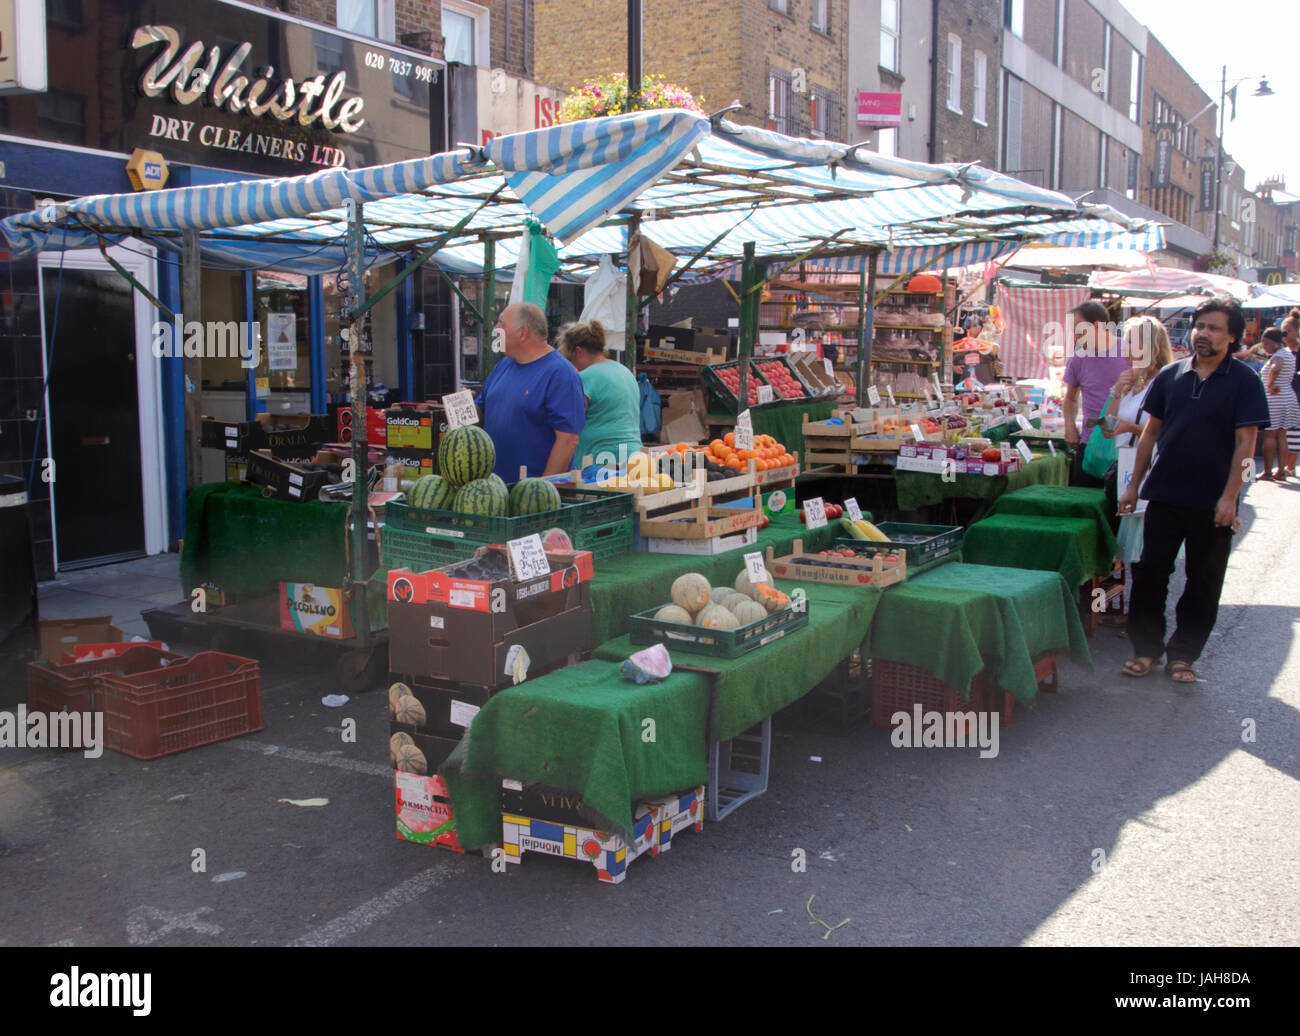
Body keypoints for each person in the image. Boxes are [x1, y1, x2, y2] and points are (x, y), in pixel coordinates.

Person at [1118, 296, 1269, 684]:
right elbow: (1150, 433)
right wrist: (1133, 485)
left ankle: (1183, 654)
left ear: (1233, 336)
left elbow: (1245, 444)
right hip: (1165, 493)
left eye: (1214, 328)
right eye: (1200, 325)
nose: (1203, 333)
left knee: (1204, 579)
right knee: (1151, 572)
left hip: (1212, 499)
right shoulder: (1171, 376)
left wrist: (1231, 496)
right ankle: (1146, 649)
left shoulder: (1244, 381)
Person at [1101, 317, 1174, 610]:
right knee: (1128, 547)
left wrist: (1130, 429)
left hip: (1148, 472)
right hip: (1124, 469)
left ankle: (1142, 617)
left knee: (1145, 550)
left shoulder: (1165, 381)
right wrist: (1116, 392)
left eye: (1130, 340)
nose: (1125, 346)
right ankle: (1129, 611)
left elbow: (1165, 432)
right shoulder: (1132, 381)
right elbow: (1106, 428)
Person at [476, 302, 586, 480]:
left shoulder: (560, 373)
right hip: (495, 491)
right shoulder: (503, 365)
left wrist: (542, 490)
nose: (494, 329)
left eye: (501, 323)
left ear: (523, 332)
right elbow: (480, 414)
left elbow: (567, 440)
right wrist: (461, 404)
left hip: (532, 498)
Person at [560, 319, 643, 472]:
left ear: (578, 351)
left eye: (570, 358)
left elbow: (569, 429)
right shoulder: (625, 372)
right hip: (636, 460)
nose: (573, 365)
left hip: (600, 464)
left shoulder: (585, 378)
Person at [1063, 300, 1131, 487]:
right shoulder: (1078, 359)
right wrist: (1069, 425)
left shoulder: (1128, 352)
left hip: (1122, 445)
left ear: (1097, 326)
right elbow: (1070, 398)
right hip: (1089, 445)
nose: (1076, 338)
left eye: (1080, 331)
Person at [1256, 327, 1299, 481]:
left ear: (1275, 343)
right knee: (1282, 435)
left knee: (1270, 435)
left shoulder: (1279, 356)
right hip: (1288, 397)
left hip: (1275, 398)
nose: (1264, 347)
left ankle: (1267, 472)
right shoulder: (1288, 353)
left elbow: (1276, 367)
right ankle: (1281, 471)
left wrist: (1269, 385)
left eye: (1266, 343)